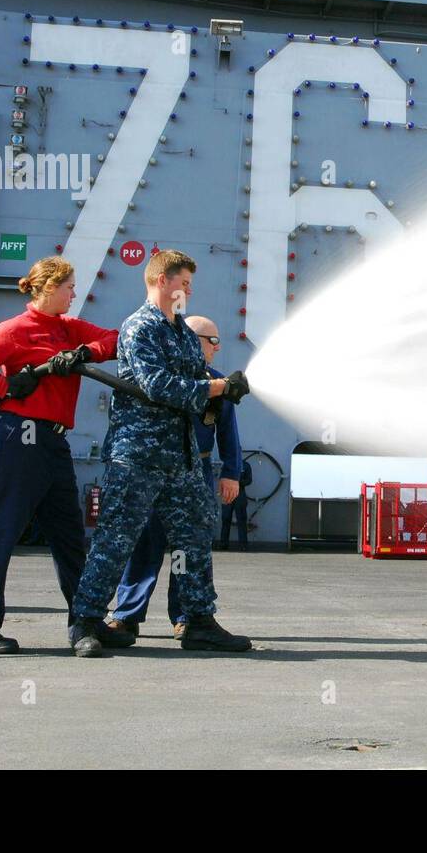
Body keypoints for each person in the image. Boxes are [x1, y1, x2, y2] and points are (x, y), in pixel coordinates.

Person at [68, 249, 251, 657]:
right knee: (116, 538)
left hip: (181, 458)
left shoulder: (183, 332)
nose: (188, 290)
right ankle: (86, 622)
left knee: (194, 537)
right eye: (183, 282)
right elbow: (158, 386)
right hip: (138, 456)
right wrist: (217, 389)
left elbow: (194, 380)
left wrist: (219, 387)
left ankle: (197, 619)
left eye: (189, 284)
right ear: (161, 280)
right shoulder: (140, 327)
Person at [0, 255, 132, 655]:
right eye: (68, 287)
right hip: (19, 435)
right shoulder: (15, 330)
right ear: (48, 287)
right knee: (0, 532)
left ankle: (86, 620)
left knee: (69, 537)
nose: (73, 293)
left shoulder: (68, 329)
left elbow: (118, 340)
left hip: (52, 442)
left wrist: (83, 353)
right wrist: (5, 385)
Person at [107, 315, 243, 639]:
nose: (217, 347)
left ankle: (185, 616)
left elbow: (228, 433)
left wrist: (231, 474)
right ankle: (127, 615)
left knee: (189, 550)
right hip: (154, 472)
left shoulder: (220, 384)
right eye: (212, 341)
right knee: (144, 543)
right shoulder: (162, 379)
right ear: (194, 340)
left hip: (196, 471)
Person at [221, 457, 252, 550]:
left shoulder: (246, 465)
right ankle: (223, 544)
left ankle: (243, 545)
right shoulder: (227, 465)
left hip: (240, 495)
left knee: (241, 520)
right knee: (225, 518)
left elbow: (249, 480)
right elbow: (222, 478)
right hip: (227, 495)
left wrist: (237, 483)